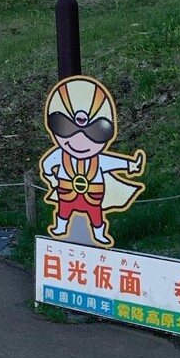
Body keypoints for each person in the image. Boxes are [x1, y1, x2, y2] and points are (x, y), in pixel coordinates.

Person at [39, 76, 145, 248]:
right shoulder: (60, 155)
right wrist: (52, 180)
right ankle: (61, 227)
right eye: (64, 126)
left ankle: (98, 234)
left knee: (96, 214)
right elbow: (47, 166)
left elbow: (112, 161)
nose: (80, 139)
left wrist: (130, 165)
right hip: (67, 191)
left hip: (93, 194)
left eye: (97, 131)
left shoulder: (99, 159)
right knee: (64, 210)